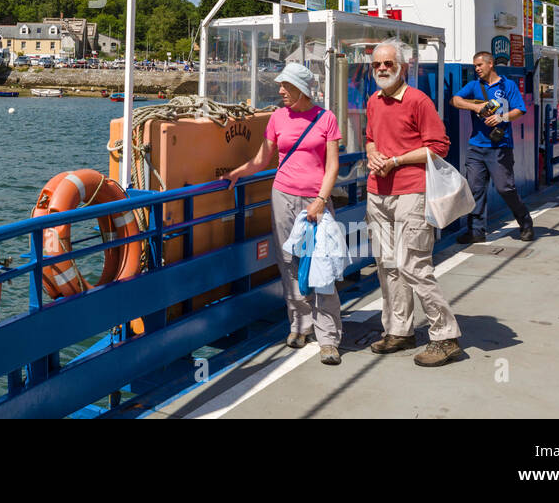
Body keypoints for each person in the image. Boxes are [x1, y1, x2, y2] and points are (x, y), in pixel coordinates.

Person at [227, 62, 344, 365]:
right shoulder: (277, 117)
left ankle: (328, 338)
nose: (280, 91)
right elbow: (263, 158)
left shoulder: (325, 118)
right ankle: (300, 326)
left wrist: (321, 199)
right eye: (281, 86)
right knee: (290, 262)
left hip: (314, 202)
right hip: (283, 196)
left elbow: (332, 165)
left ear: (302, 89)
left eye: (286, 86)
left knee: (321, 265)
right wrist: (238, 173)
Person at [364, 40, 464, 367]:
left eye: (388, 64)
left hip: (411, 191)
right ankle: (399, 330)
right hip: (378, 193)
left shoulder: (418, 101)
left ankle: (445, 336)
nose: (382, 68)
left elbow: (439, 146)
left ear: (402, 67)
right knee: (388, 266)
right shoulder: (374, 101)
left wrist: (396, 160)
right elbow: (370, 138)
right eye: (377, 64)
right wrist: (372, 153)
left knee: (414, 266)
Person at [451, 52, 533, 243]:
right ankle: (476, 232)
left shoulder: (508, 85)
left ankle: (525, 222)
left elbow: (520, 110)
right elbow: (455, 100)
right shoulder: (474, 86)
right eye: (475, 66)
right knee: (475, 189)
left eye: (480, 65)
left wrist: (501, 117)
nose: (477, 69)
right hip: (476, 147)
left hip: (500, 147)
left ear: (491, 64)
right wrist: (476, 107)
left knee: (506, 189)